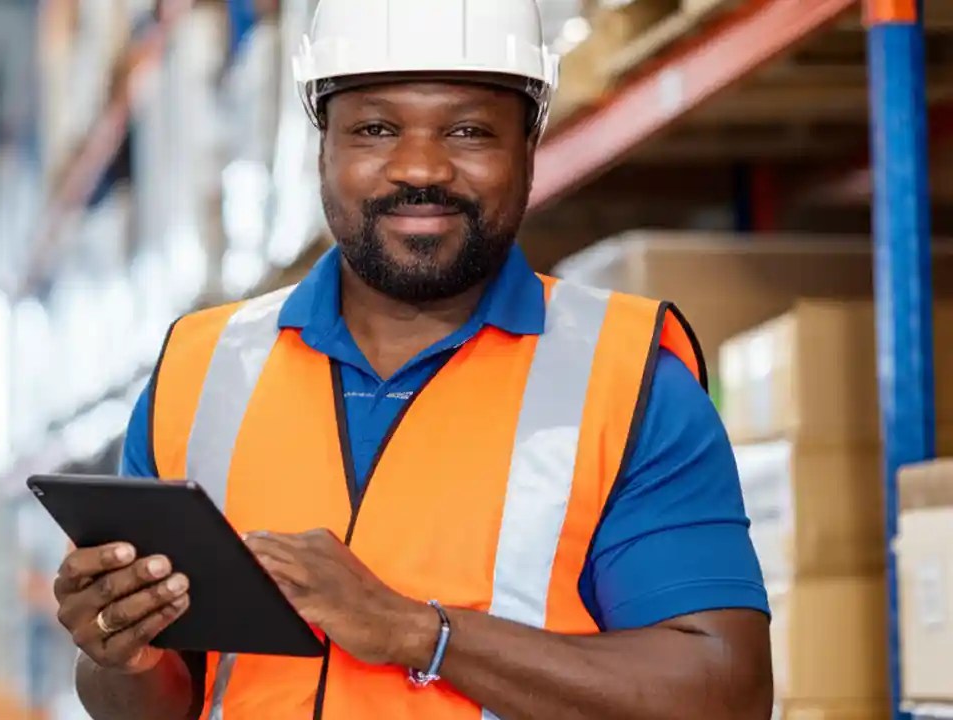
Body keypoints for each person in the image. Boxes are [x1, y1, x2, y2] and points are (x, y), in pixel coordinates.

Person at [54, 1, 773, 718]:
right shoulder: (198, 371)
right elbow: (158, 702)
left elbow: (723, 695)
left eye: (467, 130)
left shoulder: (626, 378)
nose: (420, 167)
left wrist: (415, 632)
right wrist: (122, 652)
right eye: (374, 129)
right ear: (322, 148)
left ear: (528, 149)